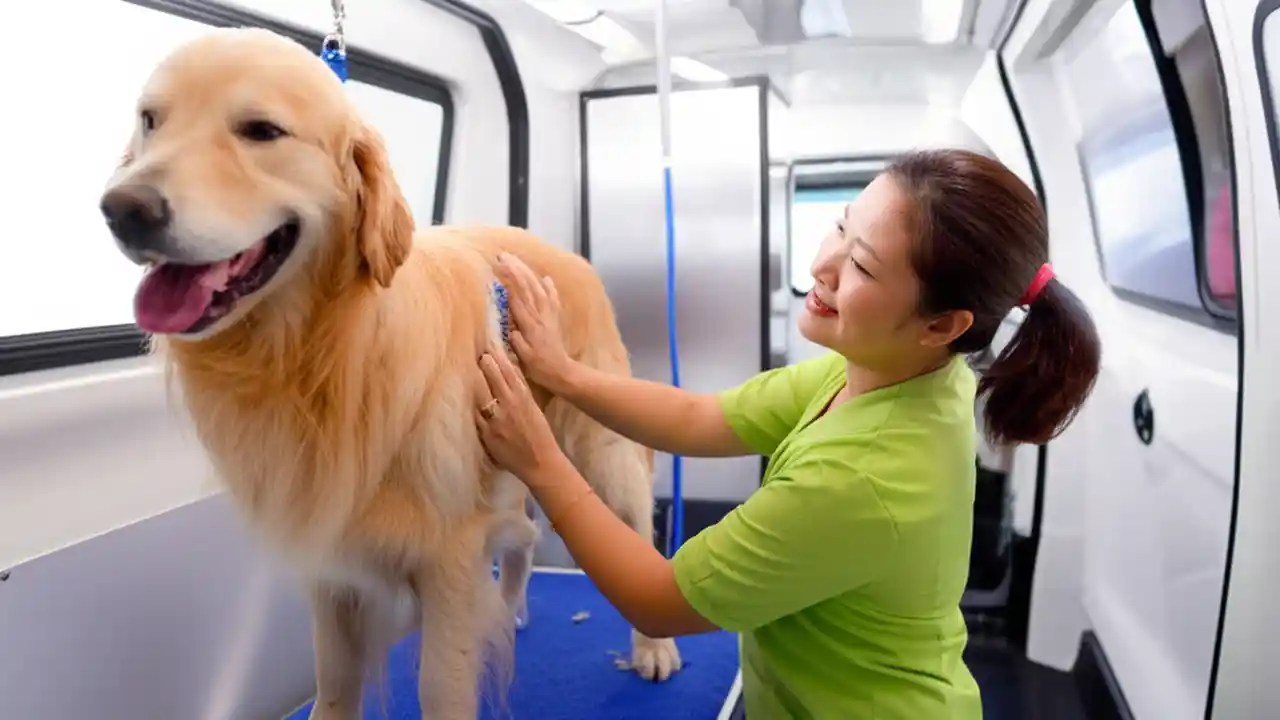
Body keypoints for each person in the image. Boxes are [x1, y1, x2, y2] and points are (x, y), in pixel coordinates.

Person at [473, 148, 1101, 719]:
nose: (821, 265)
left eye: (859, 263)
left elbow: (657, 601)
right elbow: (702, 418)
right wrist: (566, 375)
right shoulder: (892, 371)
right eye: (840, 226)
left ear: (941, 325)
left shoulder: (863, 478)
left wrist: (541, 462)